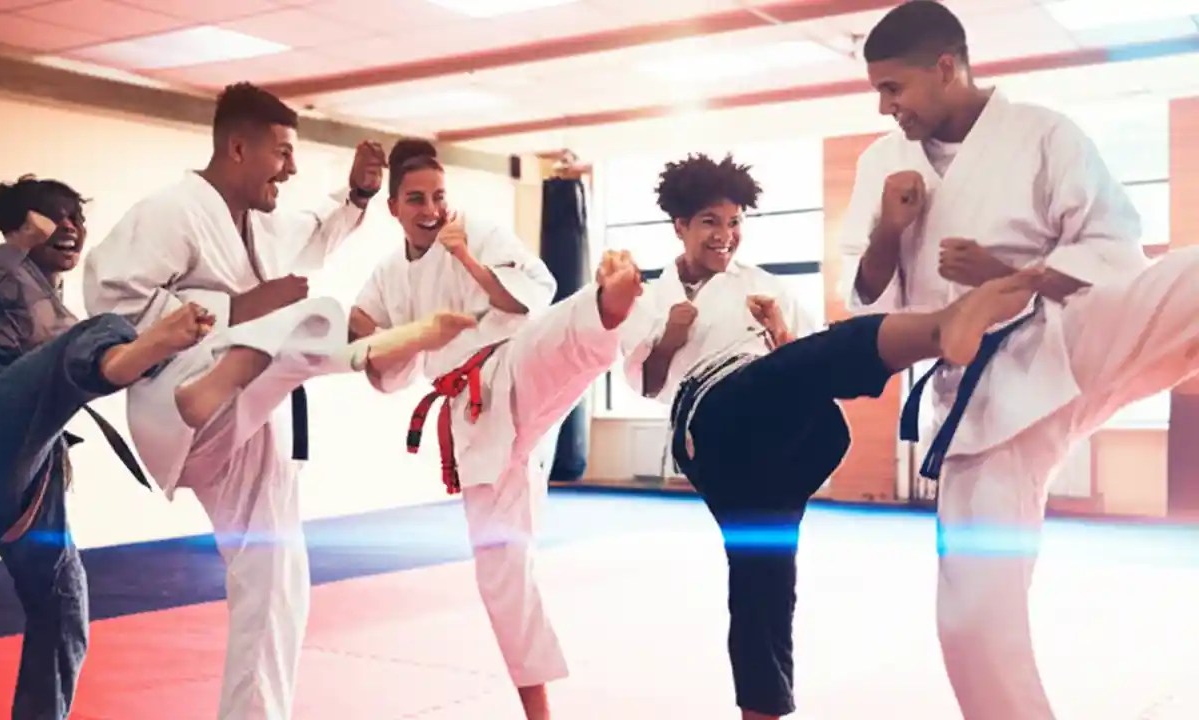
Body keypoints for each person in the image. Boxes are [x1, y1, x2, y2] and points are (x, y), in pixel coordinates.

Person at [841, 2, 1199, 718]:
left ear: (947, 66)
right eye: (877, 91)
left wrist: (1007, 274)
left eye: (894, 88)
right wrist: (890, 229)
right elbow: (863, 303)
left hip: (1073, 335)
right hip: (980, 401)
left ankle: (1003, 293)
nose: (885, 108)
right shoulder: (883, 164)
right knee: (972, 625)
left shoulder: (1043, 134)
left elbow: (1115, 258)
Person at [81, 83, 476, 720]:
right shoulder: (170, 211)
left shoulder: (260, 221)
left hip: (251, 418)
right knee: (312, 316)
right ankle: (363, 352)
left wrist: (359, 196)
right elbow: (110, 304)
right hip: (183, 404)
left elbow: (314, 232)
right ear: (238, 147)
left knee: (277, 583)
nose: (291, 170)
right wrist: (237, 309)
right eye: (283, 153)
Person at [617, 153, 1047, 719]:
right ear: (679, 226)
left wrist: (779, 330)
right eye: (710, 223)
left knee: (764, 580)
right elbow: (647, 385)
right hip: (713, 430)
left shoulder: (765, 286)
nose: (726, 236)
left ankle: (763, 710)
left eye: (734, 222)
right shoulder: (651, 297)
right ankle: (939, 329)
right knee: (762, 572)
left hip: (787, 448)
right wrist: (671, 337)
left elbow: (808, 362)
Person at [347, 138, 643, 720]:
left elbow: (536, 295)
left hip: (508, 363)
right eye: (415, 199)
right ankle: (539, 712)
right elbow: (375, 358)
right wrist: (360, 337)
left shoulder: (476, 232)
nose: (430, 208)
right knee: (500, 569)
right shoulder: (385, 275)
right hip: (471, 417)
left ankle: (610, 303)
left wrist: (467, 261)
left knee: (559, 336)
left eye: (438, 195)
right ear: (393, 208)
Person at [0, 175, 212, 719]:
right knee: (99, 335)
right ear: (23, 224)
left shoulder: (63, 317)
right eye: (57, 216)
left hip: (23, 479)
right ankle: (143, 347)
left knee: (64, 606)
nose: (72, 226)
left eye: (78, 217)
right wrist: (14, 246)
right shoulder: (2, 275)